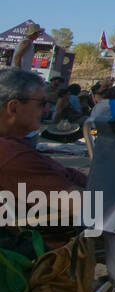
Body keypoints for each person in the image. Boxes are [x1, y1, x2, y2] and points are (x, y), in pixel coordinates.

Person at [0, 69, 87, 246]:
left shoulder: (13, 147)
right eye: (41, 103)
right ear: (14, 107)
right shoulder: (13, 155)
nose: (47, 109)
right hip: (52, 251)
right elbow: (85, 205)